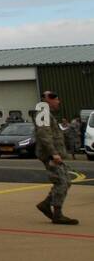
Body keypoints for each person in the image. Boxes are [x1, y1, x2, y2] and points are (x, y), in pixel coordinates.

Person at [35, 91, 77, 225]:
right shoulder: (42, 112)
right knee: (62, 182)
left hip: (53, 153)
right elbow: (43, 135)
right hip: (50, 155)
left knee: (66, 181)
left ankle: (46, 204)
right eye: (55, 99)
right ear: (46, 100)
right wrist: (53, 153)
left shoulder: (47, 113)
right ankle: (57, 214)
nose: (58, 102)